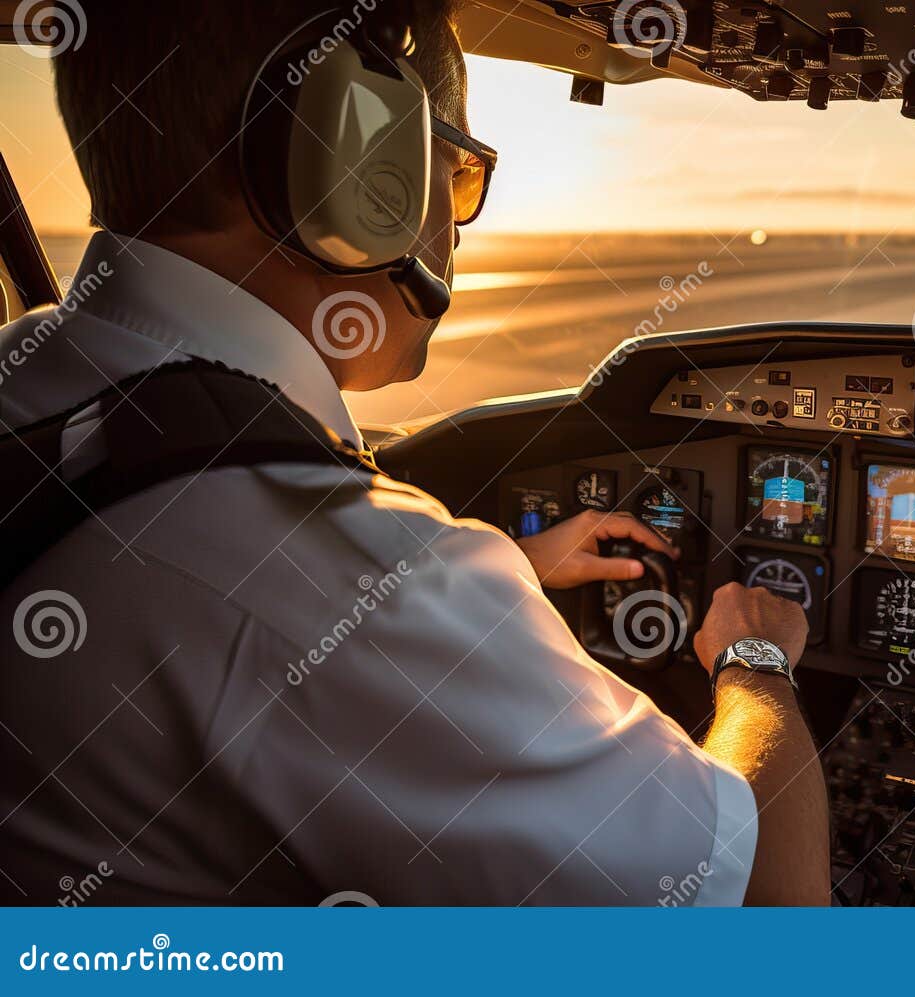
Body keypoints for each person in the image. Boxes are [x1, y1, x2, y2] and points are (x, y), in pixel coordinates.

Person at [0, 0, 829, 906]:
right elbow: (767, 910)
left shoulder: (31, 378)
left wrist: (509, 568)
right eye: (457, 169)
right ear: (358, 160)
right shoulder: (326, 570)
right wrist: (755, 662)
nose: (454, 221)